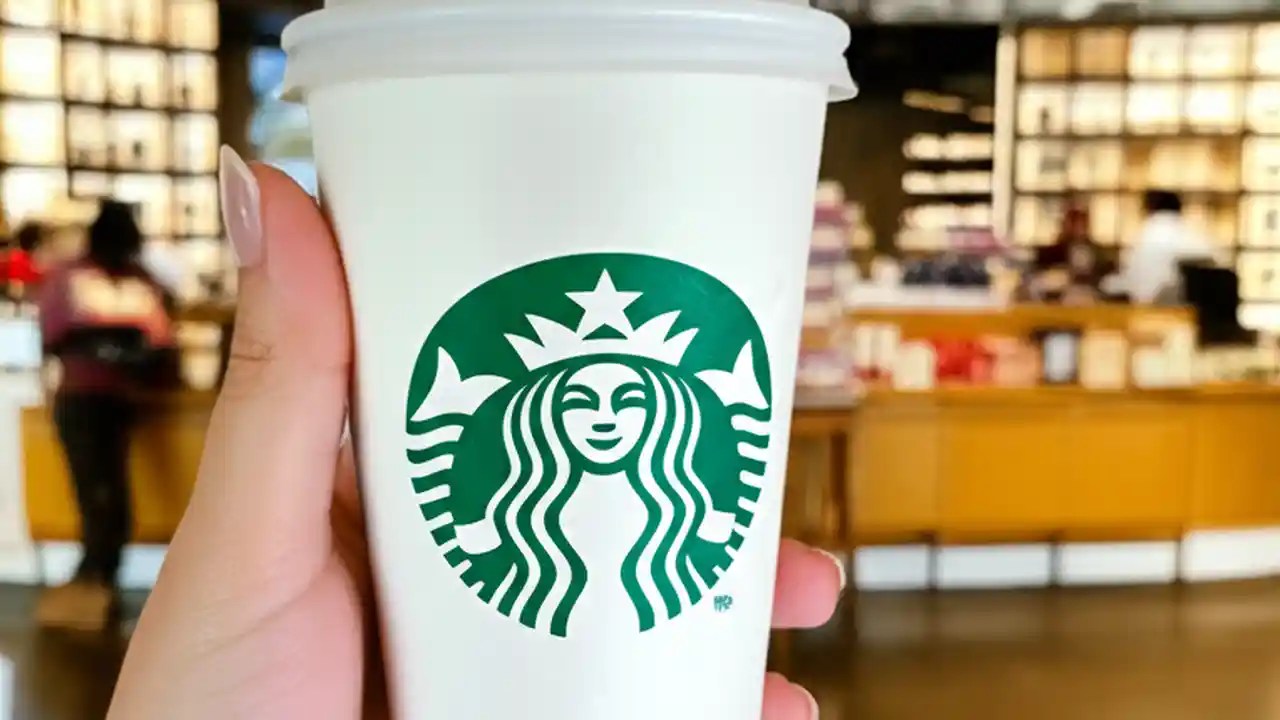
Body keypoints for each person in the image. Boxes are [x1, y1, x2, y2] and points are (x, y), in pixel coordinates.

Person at [105, 155, 841, 719]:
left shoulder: (690, 526)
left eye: (630, 399)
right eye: (581, 399)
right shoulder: (503, 537)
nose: (608, 419)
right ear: (542, 415)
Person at [36, 201, 173, 629]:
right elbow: (56, 339)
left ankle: (97, 585)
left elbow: (161, 342)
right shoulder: (72, 278)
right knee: (98, 497)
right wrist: (119, 342)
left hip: (118, 401)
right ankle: (92, 585)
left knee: (110, 499)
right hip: (82, 400)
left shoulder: (136, 280)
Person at [1122, 190, 1220, 305]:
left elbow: (1132, 281)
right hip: (1196, 313)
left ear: (1149, 207)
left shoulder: (1145, 235)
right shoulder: (1195, 235)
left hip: (1151, 310)